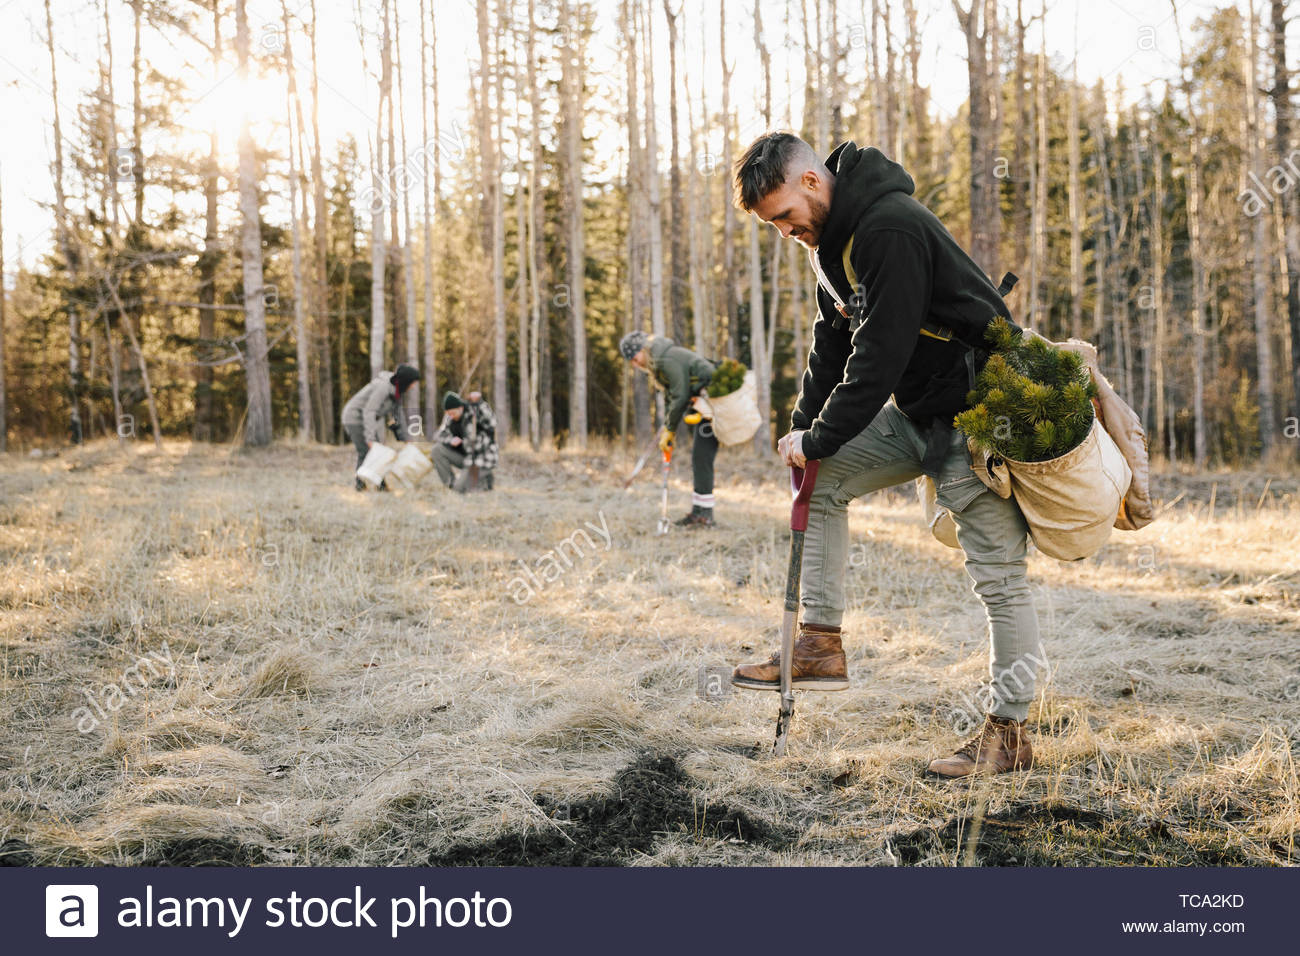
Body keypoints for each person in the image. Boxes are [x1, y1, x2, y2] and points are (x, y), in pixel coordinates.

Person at [729, 131, 1043, 778]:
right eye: (772, 226)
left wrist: (819, 435)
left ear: (811, 182)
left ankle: (1008, 735)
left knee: (998, 577)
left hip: (978, 410)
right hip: (921, 410)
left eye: (784, 216)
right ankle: (819, 644)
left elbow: (881, 354)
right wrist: (804, 433)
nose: (784, 232)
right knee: (822, 480)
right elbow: (833, 340)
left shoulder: (888, 229)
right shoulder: (830, 243)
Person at [619, 330, 718, 528]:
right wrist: (667, 427)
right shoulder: (660, 363)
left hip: (716, 402)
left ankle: (705, 516)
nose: (633, 363)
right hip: (704, 405)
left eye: (633, 357)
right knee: (699, 458)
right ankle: (700, 512)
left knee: (702, 457)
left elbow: (680, 396)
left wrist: (670, 428)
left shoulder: (666, 359)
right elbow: (673, 396)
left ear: (642, 350)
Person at [340, 364, 420, 491]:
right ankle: (360, 485)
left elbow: (399, 416)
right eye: (413, 383)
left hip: (365, 420)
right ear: (406, 380)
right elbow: (369, 411)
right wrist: (370, 438)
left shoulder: (398, 392)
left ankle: (381, 486)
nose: (413, 386)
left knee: (378, 452)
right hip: (354, 418)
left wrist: (406, 438)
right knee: (366, 451)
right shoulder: (383, 387)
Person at [432, 391, 498, 492]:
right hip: (466, 458)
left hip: (481, 460)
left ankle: (485, 480)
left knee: (460, 489)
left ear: (460, 408)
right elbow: (438, 435)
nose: (451, 416)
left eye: (453, 413)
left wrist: (480, 402)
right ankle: (450, 484)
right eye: (448, 414)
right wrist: (450, 440)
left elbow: (492, 422)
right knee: (437, 449)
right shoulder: (450, 418)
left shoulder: (475, 413)